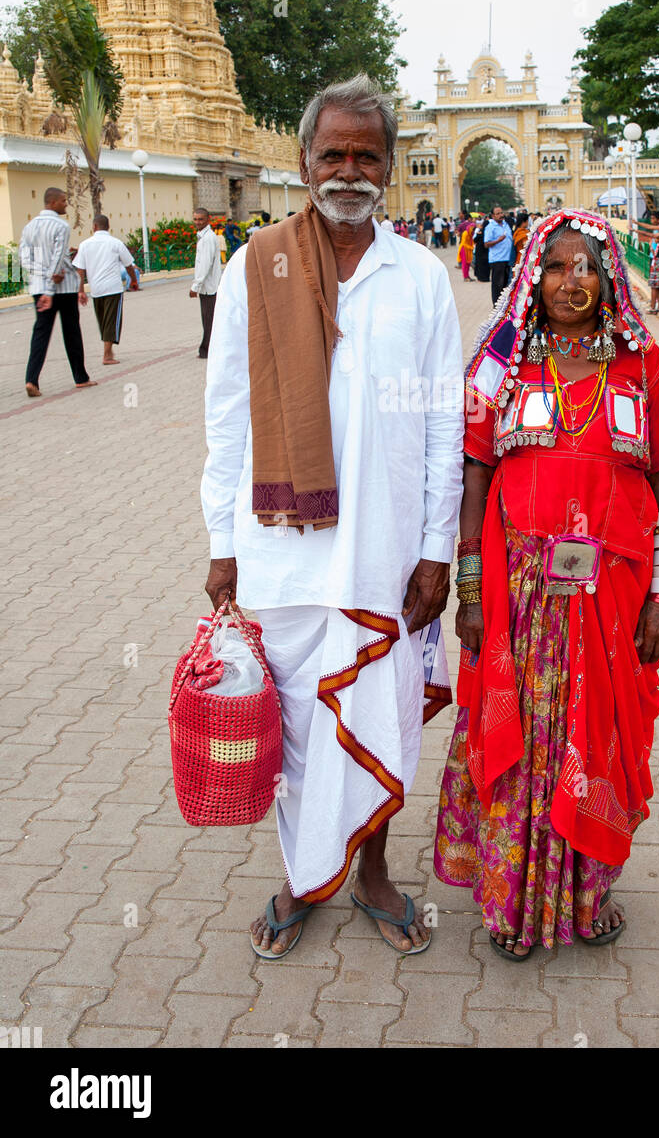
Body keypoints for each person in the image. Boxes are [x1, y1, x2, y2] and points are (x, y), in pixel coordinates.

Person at [201, 74, 464, 959]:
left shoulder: (420, 275)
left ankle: (374, 874)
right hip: (279, 549)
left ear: (389, 166)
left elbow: (442, 425)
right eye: (332, 153)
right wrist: (219, 543)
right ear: (305, 160)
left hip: (387, 555)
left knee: (379, 708)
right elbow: (228, 409)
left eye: (366, 154)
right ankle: (303, 874)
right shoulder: (258, 265)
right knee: (300, 721)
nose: (348, 169)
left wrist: (436, 549)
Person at [434, 209, 659, 958]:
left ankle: (584, 892)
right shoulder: (502, 366)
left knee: (596, 741)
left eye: (586, 267)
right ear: (531, 280)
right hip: (517, 596)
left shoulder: (643, 367)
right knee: (518, 742)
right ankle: (512, 902)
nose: (571, 282)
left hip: (610, 597)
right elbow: (474, 473)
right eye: (555, 268)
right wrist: (472, 593)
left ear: (609, 279)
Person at [18, 187, 96, 397]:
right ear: (52, 203)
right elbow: (58, 258)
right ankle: (80, 378)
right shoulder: (60, 225)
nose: (66, 204)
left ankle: (31, 379)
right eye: (63, 201)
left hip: (39, 288)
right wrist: (50, 288)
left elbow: (25, 260)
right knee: (71, 331)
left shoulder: (29, 227)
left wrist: (42, 282)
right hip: (62, 288)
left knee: (41, 333)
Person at [72, 213, 139, 365]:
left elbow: (80, 270)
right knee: (112, 320)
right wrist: (133, 281)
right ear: (108, 227)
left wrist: (80, 291)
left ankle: (108, 350)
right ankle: (107, 355)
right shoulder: (115, 243)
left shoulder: (84, 244)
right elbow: (129, 265)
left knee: (103, 321)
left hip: (96, 289)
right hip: (113, 287)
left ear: (94, 227)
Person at [190, 208, 222, 359]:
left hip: (210, 288)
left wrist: (195, 286)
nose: (198, 222)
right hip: (207, 287)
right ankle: (207, 349)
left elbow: (205, 265)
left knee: (209, 320)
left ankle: (207, 350)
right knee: (208, 319)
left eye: (201, 219)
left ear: (208, 219)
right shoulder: (204, 237)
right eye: (195, 219)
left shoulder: (208, 238)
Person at [484, 205, 514, 305]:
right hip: (497, 260)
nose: (501, 215)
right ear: (493, 216)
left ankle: (504, 306)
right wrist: (498, 240)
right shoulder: (490, 227)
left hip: (508, 259)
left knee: (506, 285)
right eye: (498, 214)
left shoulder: (506, 225)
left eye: (501, 213)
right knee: (497, 285)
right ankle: (496, 307)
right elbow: (486, 244)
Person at [473, 216, 490, 282]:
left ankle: (480, 278)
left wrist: (478, 234)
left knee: (480, 264)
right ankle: (486, 278)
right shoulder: (489, 233)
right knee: (486, 264)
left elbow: (475, 240)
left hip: (480, 250)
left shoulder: (480, 232)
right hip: (486, 250)